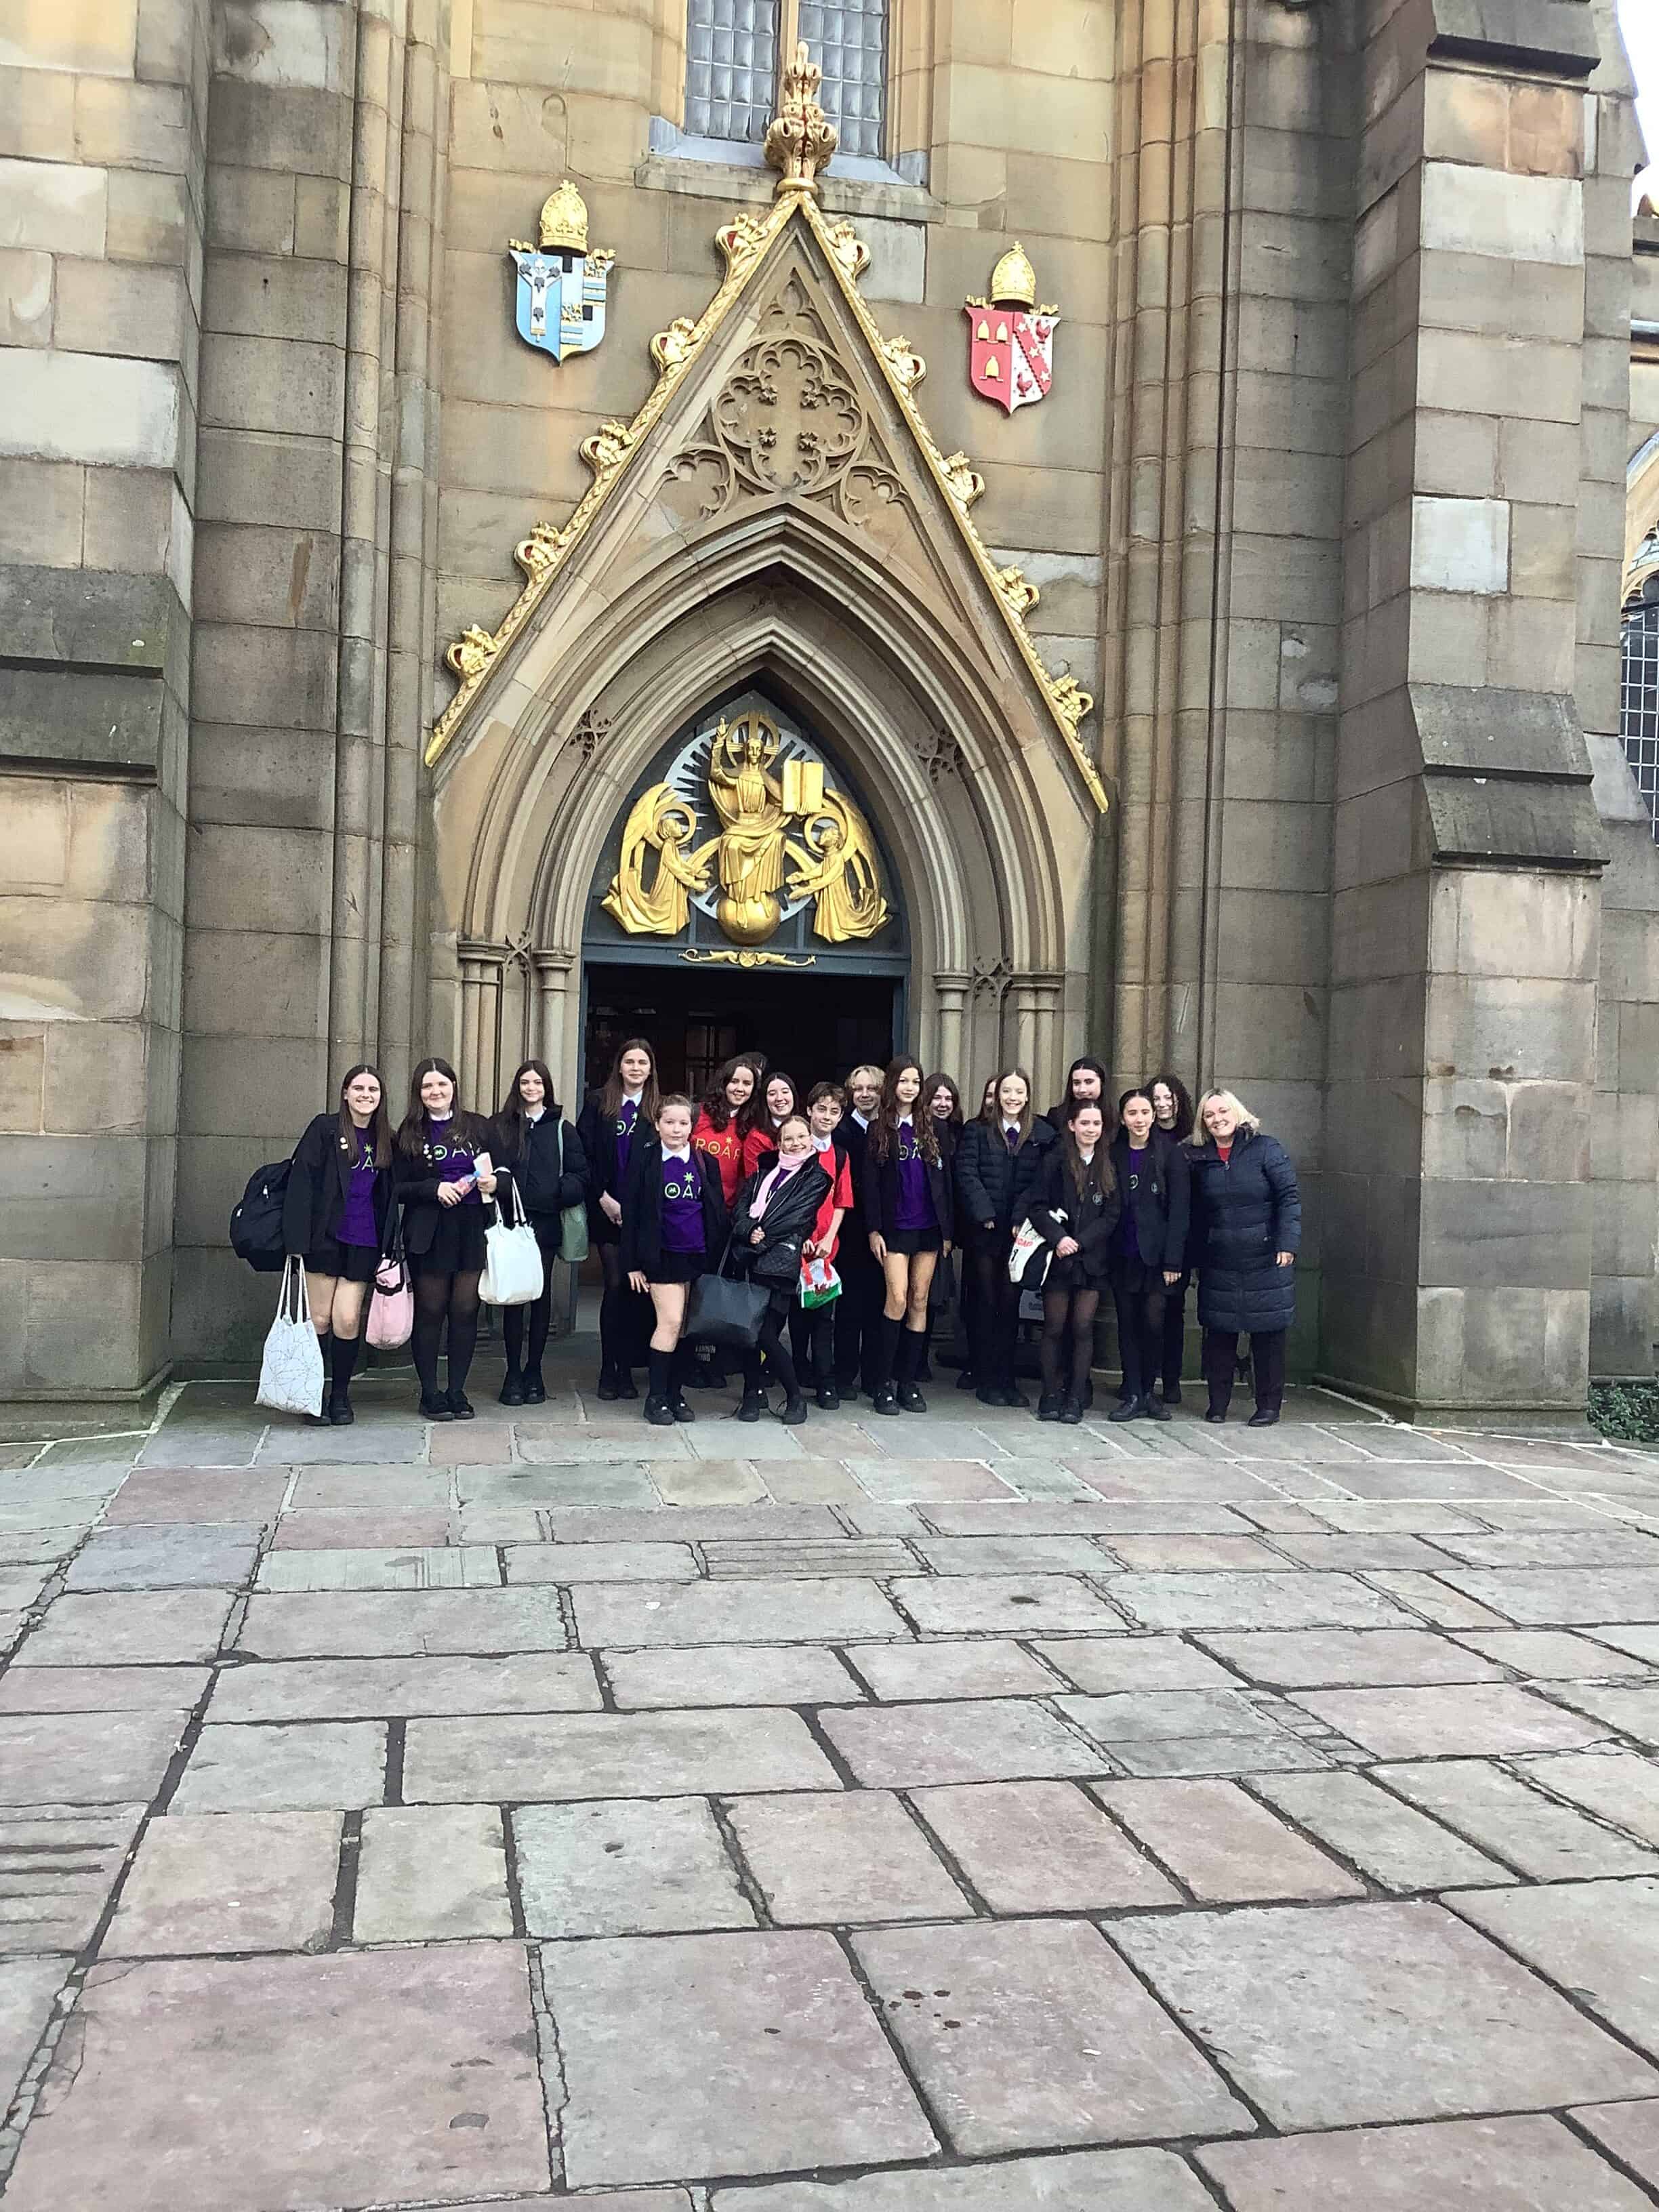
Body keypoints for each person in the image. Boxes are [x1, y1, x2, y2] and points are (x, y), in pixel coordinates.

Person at [281, 1065, 397, 1425]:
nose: (366, 1095)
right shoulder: (325, 1129)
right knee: (319, 1318)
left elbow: (391, 1196)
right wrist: (297, 1241)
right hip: (325, 1238)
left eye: (373, 1090)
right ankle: (313, 1394)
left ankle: (341, 1396)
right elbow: (302, 1183)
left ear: (381, 1098)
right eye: (358, 1088)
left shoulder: (386, 1139)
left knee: (346, 1320)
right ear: (346, 1093)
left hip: (364, 1240)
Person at [393, 1057, 498, 1421]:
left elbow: (503, 1167)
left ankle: (457, 1391)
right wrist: (434, 1188)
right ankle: (430, 1394)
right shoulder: (408, 1133)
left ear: (454, 1087)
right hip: (429, 1232)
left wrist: (495, 1183)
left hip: (472, 1229)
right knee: (432, 1312)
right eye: (427, 1086)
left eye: (442, 1084)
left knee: (465, 1311)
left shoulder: (478, 1127)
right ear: (418, 1093)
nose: (436, 1092)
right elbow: (397, 1187)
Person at [1188, 1088, 1300, 1426]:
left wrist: (1287, 1242)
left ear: (1237, 1113)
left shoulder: (1266, 1149)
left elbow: (1289, 1197)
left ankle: (1268, 1405)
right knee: (1220, 1335)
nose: (1217, 1119)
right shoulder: (1199, 1158)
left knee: (1268, 1336)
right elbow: (1193, 1212)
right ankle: (1218, 1403)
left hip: (1265, 1257)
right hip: (1219, 1259)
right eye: (1209, 1115)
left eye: (1223, 1111)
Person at [620, 1091, 729, 1426]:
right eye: (670, 1122)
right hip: (661, 1257)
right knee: (668, 1322)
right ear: (658, 1124)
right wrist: (632, 1263)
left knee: (686, 1328)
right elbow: (632, 1214)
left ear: (692, 1126)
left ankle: (675, 1393)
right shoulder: (645, 1160)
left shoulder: (704, 1162)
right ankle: (655, 1398)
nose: (677, 1129)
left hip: (696, 1256)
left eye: (684, 1123)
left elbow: (715, 1211)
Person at [954, 1066, 1055, 1408]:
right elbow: (967, 1173)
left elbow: (1040, 1181)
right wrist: (985, 1214)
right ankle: (985, 1378)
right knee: (986, 1303)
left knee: (1011, 1307)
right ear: (997, 1096)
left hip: (1018, 1232)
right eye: (1006, 1092)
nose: (1012, 1098)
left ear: (1027, 1096)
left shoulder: (1041, 1133)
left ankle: (1006, 1379)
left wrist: (1018, 1218)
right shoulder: (977, 1130)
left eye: (1018, 1092)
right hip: (986, 1232)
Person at [490, 1059, 590, 1406]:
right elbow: (488, 1167)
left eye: (537, 1083)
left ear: (546, 1087)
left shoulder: (563, 1128)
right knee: (515, 1300)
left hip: (545, 1224)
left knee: (540, 1295)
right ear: (517, 1087)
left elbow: (580, 1173)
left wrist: (563, 1190)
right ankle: (512, 1373)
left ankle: (535, 1370)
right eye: (525, 1082)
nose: (531, 1088)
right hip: (511, 1223)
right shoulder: (501, 1126)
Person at [861, 1055, 954, 1415]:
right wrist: (873, 1229)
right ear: (893, 1086)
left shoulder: (935, 1128)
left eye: (916, 1081)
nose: (910, 1087)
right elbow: (869, 1184)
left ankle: (908, 1382)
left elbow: (946, 1182)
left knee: (919, 1300)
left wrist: (948, 1231)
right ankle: (882, 1383)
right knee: (896, 1299)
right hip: (894, 1228)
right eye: (904, 1081)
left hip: (929, 1227)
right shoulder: (879, 1129)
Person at [729, 1114, 831, 1425]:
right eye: (789, 1138)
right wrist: (748, 1230)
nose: (796, 1143)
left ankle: (796, 1397)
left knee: (766, 1332)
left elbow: (796, 1219)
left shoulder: (817, 1177)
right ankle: (751, 1394)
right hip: (749, 1260)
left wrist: (758, 1239)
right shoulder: (763, 1170)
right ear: (779, 1142)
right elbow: (740, 1210)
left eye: (801, 1137)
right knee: (749, 1331)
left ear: (811, 1140)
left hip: (778, 1265)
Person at [577, 1038, 659, 1400]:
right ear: (619, 1067)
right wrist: (602, 1197)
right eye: (630, 1062)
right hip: (607, 1210)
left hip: (644, 1215)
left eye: (643, 1062)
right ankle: (608, 1369)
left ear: (650, 1068)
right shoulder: (598, 1103)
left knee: (637, 1291)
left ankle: (628, 1368)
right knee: (615, 1286)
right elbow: (584, 1155)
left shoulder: (658, 1108)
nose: (636, 1068)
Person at [1029, 1099, 1120, 1422]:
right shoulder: (1054, 1161)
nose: (1090, 1130)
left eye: (1096, 1124)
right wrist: (1059, 1238)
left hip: (1092, 1260)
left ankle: (1076, 1397)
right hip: (1058, 1258)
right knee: (1054, 1326)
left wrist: (1081, 1242)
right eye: (1085, 1123)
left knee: (1082, 1327)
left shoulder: (1109, 1163)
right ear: (1072, 1125)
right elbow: (1037, 1206)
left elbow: (1112, 1214)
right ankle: (1050, 1394)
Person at [1106, 1087, 1191, 1424]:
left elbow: (1180, 1211)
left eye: (1144, 1113)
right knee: (1127, 1323)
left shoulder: (1170, 1154)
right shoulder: (1113, 1153)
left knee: (1154, 1323)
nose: (1139, 1119)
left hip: (1158, 1259)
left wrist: (1174, 1261)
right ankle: (1132, 1391)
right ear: (1123, 1119)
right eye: (1132, 1114)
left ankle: (1150, 1392)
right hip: (1122, 1253)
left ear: (1153, 1116)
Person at [689, 1052, 765, 1388]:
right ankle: (686, 1359)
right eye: (734, 1080)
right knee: (690, 1288)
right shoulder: (698, 1115)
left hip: (727, 1220)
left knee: (716, 1290)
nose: (739, 1088)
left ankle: (713, 1361)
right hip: (690, 1214)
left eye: (747, 1083)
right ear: (723, 1082)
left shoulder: (752, 1126)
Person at [790, 1082, 854, 1407]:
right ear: (809, 1111)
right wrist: (800, 1236)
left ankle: (825, 1380)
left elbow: (842, 1202)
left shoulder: (840, 1155)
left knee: (824, 1315)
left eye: (834, 1111)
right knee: (798, 1312)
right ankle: (797, 1369)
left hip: (827, 1249)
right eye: (821, 1109)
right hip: (796, 1245)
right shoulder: (797, 1150)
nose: (827, 1116)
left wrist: (829, 1238)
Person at [834, 1063, 886, 1399]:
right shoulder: (840, 1131)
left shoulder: (889, 1129)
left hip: (883, 1228)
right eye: (859, 1089)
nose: (865, 1094)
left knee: (879, 1304)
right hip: (849, 1228)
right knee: (849, 1305)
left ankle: (873, 1375)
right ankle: (844, 1374)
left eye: (872, 1088)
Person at [1148, 1071, 1196, 1401]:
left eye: (1169, 1098)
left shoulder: (1193, 1140)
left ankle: (1172, 1379)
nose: (1163, 1105)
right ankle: (1144, 1379)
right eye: (1157, 1099)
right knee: (1146, 1313)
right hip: (1146, 1239)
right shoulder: (1144, 1138)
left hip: (1181, 1238)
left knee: (1172, 1312)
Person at [917, 1073, 964, 1382]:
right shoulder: (913, 1133)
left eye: (949, 1099)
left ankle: (920, 1360)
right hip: (918, 1222)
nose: (943, 1104)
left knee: (932, 1296)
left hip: (944, 1225)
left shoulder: (960, 1134)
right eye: (937, 1098)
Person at [747, 1071, 802, 1169]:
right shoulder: (756, 1138)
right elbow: (755, 1178)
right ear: (765, 1101)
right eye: (772, 1094)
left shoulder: (807, 1130)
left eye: (785, 1092)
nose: (779, 1098)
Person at [1042, 1055, 1108, 1134]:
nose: (1082, 1089)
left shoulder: (1114, 1118)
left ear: (1102, 1083)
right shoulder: (1056, 1116)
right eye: (1077, 1083)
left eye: (1089, 1082)